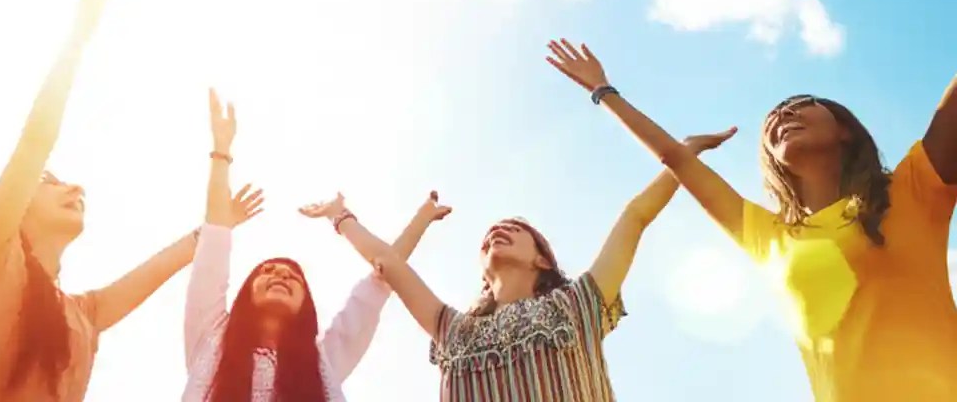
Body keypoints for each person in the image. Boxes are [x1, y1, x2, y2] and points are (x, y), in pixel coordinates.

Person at [544, 38, 957, 402]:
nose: (781, 115)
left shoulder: (912, 189)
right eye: (772, 120)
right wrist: (604, 90)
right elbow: (675, 160)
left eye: (799, 104)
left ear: (845, 130)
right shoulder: (769, 237)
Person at [0, 0, 264, 401]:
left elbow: (176, 256)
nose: (75, 187)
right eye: (50, 182)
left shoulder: (84, 314)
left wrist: (221, 160)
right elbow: (36, 142)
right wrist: (75, 43)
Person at [303, 148, 727, 401]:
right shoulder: (454, 330)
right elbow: (389, 264)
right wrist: (342, 217)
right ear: (483, 272)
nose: (498, 231)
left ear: (542, 259)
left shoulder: (576, 304)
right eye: (490, 234)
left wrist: (680, 155)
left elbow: (635, 217)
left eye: (517, 229)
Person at [182, 91, 448, 402]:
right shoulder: (210, 338)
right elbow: (213, 243)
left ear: (306, 305)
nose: (281, 275)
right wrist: (221, 153)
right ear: (245, 292)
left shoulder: (324, 363)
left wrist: (422, 218)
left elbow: (386, 275)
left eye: (294, 278)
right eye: (267, 271)